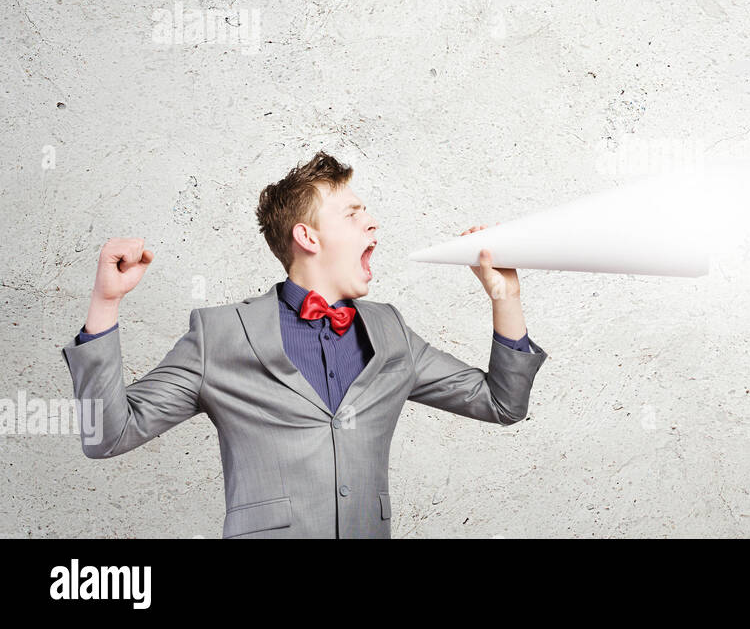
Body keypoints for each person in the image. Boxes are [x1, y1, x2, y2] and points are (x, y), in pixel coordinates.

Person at [60, 151, 547, 538]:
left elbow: (502, 403)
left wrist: (505, 295)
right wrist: (106, 302)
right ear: (307, 237)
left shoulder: (391, 331)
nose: (372, 224)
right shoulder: (221, 335)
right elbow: (108, 435)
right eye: (354, 213)